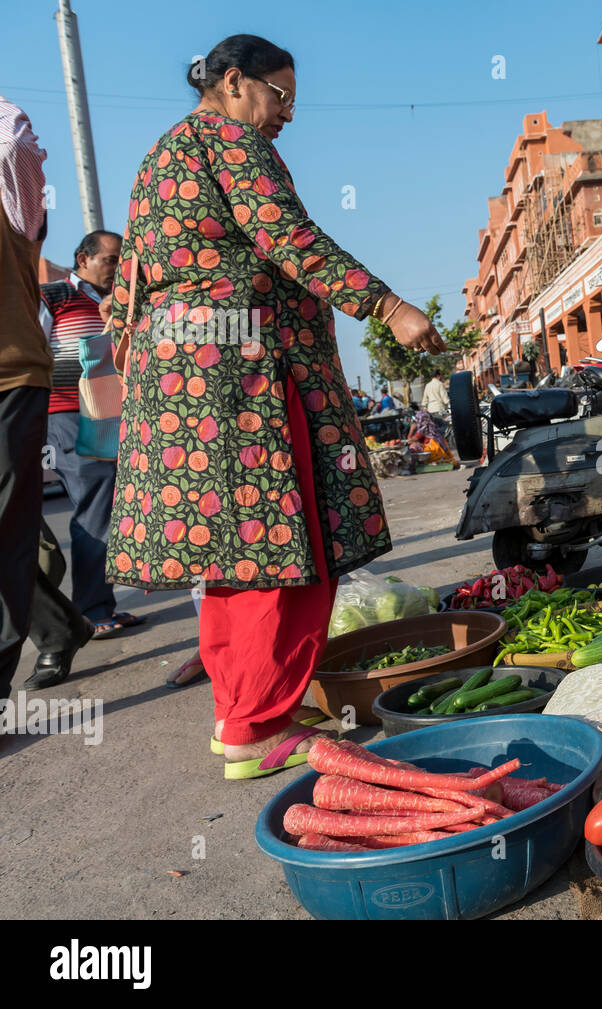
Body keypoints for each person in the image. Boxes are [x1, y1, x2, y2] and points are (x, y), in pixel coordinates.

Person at [104, 35, 441, 778]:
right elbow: (284, 235)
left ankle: (241, 716)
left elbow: (130, 275)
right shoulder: (229, 139)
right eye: (278, 95)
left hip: (188, 382)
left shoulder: (162, 154)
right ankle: (258, 727)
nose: (287, 112)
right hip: (242, 378)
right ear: (233, 83)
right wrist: (384, 303)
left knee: (230, 556)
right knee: (279, 548)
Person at [0, 95, 93, 701]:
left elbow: (12, 142)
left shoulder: (13, 193)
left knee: (5, 530)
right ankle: (59, 626)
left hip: (10, 380)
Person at [40, 230, 148, 640]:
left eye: (124, 262)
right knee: (95, 500)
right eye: (111, 260)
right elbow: (35, 348)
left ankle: (100, 606)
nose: (119, 269)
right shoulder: (54, 296)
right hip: (66, 412)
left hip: (114, 414)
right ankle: (91, 611)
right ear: (83, 259)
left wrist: (115, 319)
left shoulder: (121, 304)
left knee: (111, 505)